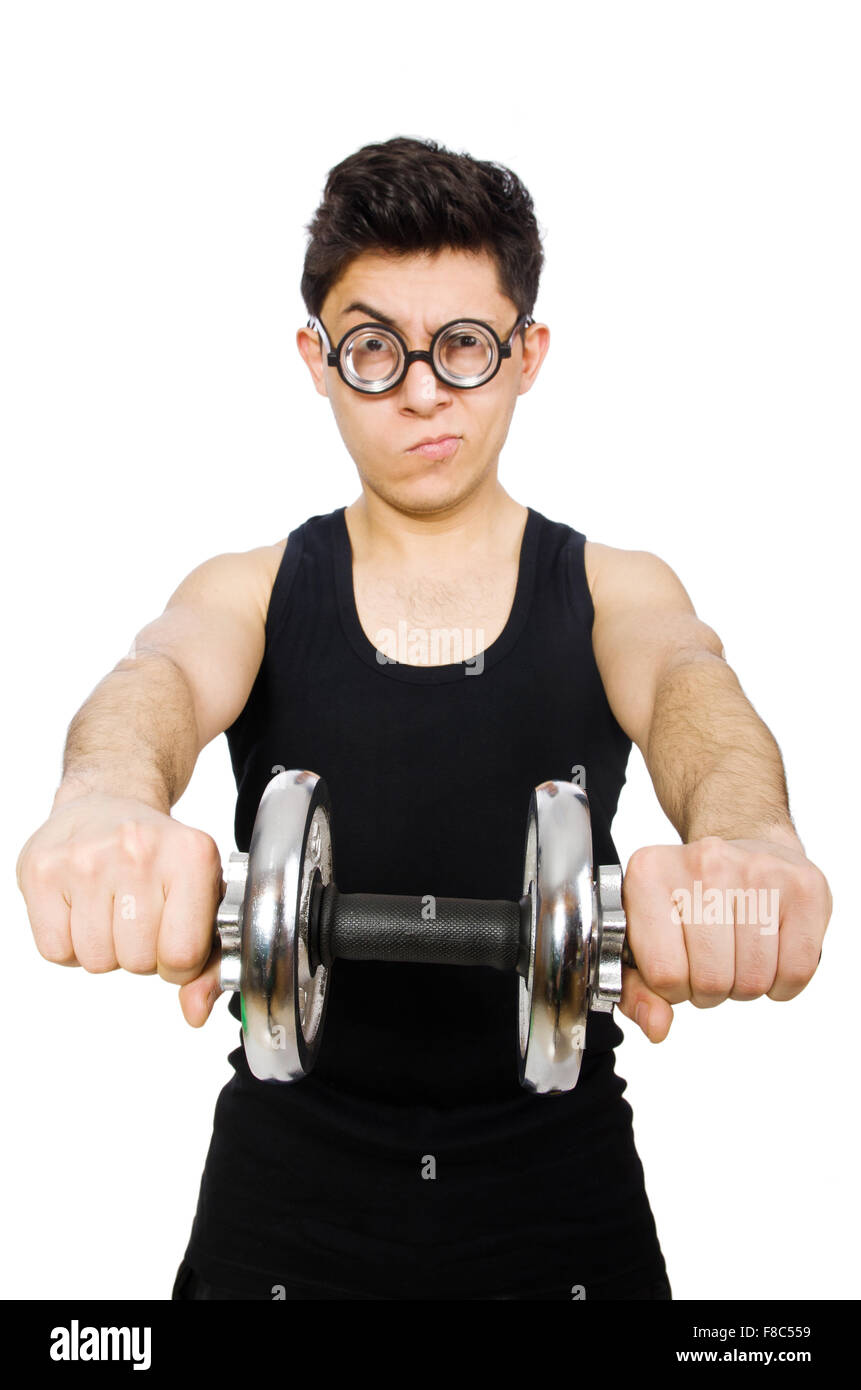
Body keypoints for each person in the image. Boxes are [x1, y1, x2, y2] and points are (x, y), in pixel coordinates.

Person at [16, 136, 831, 1302]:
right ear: (317, 358)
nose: (420, 388)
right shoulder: (248, 587)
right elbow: (159, 677)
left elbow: (694, 684)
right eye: (373, 347)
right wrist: (101, 801)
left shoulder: (618, 586)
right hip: (287, 1199)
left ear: (525, 354)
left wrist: (750, 838)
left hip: (559, 1199)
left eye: (461, 345)